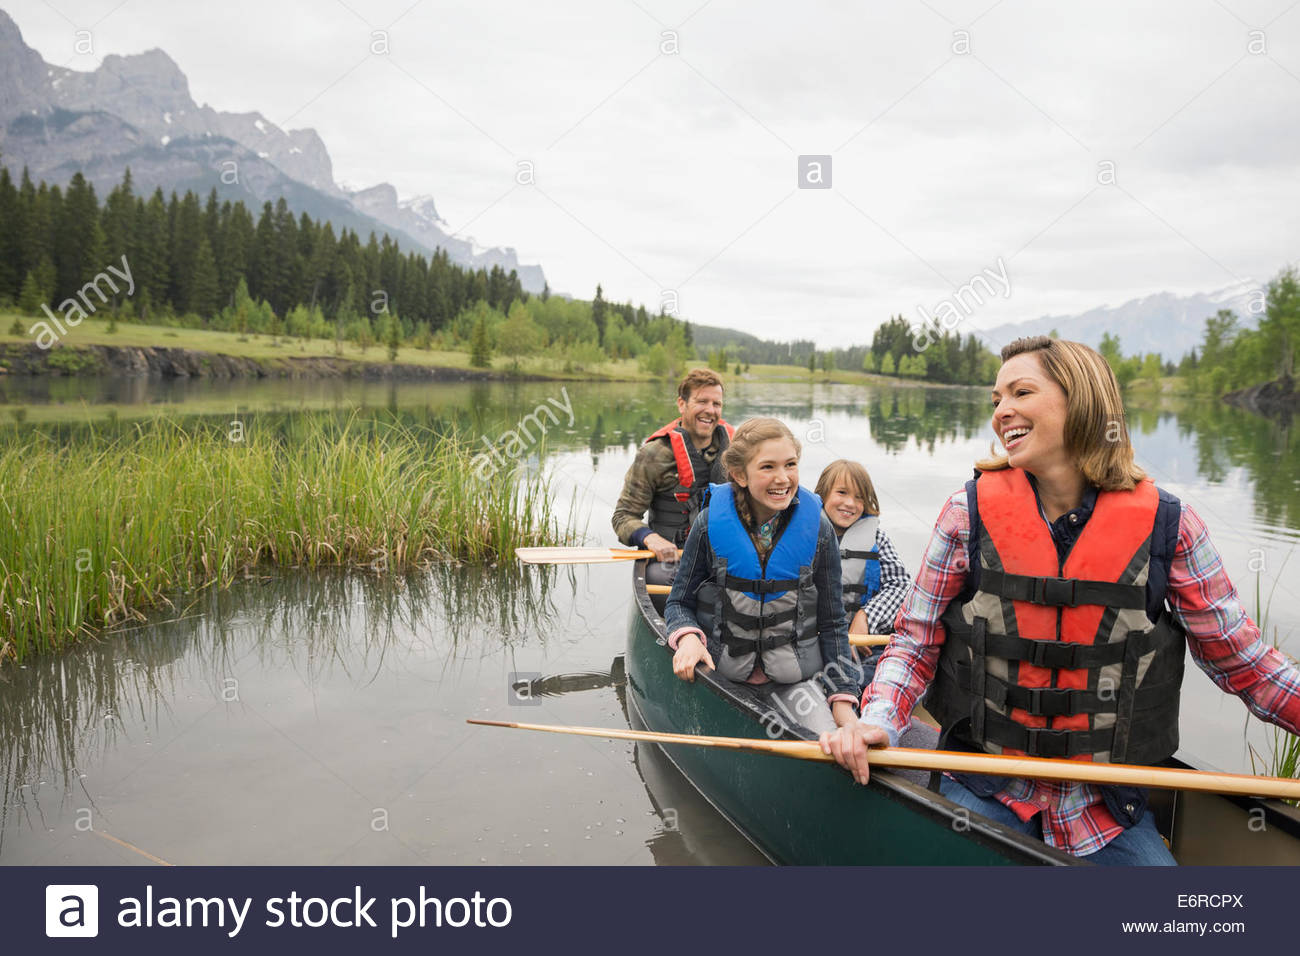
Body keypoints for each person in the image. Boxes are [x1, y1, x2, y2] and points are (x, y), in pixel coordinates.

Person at [820, 335, 1300, 865]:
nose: (1002, 412)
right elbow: (915, 641)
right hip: (984, 787)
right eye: (996, 400)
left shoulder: (1171, 526)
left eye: (1021, 392)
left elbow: (1244, 662)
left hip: (1104, 809)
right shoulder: (966, 513)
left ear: (1082, 401)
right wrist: (880, 719)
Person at [663, 417, 861, 735]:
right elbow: (677, 603)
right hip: (721, 673)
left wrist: (843, 701)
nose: (782, 478)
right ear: (740, 474)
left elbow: (833, 622)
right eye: (768, 467)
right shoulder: (708, 524)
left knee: (827, 742)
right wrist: (687, 636)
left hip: (794, 683)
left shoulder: (819, 529)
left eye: (791, 465)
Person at [612, 368, 732, 585]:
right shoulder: (653, 455)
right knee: (662, 578)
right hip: (672, 561)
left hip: (722, 556)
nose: (710, 410)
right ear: (681, 404)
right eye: (702, 401)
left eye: (716, 404)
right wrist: (650, 538)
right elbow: (623, 516)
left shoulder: (736, 450)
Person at [814, 460, 910, 687]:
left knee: (886, 668)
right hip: (816, 642)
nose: (850, 503)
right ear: (823, 494)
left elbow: (900, 585)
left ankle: (857, 696)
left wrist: (866, 617)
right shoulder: (805, 533)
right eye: (842, 492)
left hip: (864, 645)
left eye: (859, 497)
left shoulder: (877, 538)